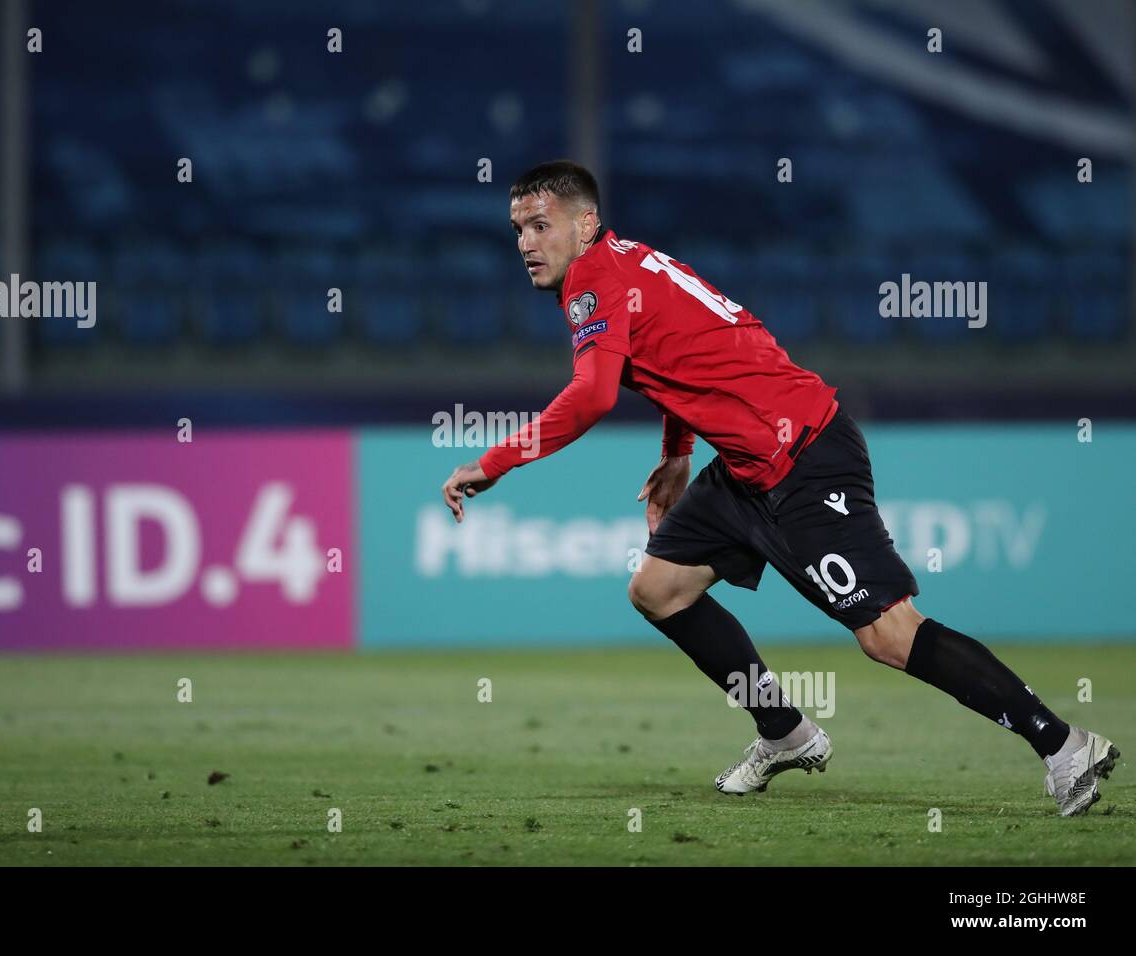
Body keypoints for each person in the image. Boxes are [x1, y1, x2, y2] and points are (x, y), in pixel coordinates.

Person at [439, 160, 1118, 816]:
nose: (526, 243)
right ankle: (785, 732)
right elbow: (682, 356)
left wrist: (493, 462)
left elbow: (591, 396)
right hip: (746, 466)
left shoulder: (593, 280)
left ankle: (1063, 744)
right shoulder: (626, 264)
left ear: (585, 224)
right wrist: (677, 456)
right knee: (658, 588)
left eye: (540, 225)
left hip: (805, 457)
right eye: (517, 229)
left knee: (888, 635)